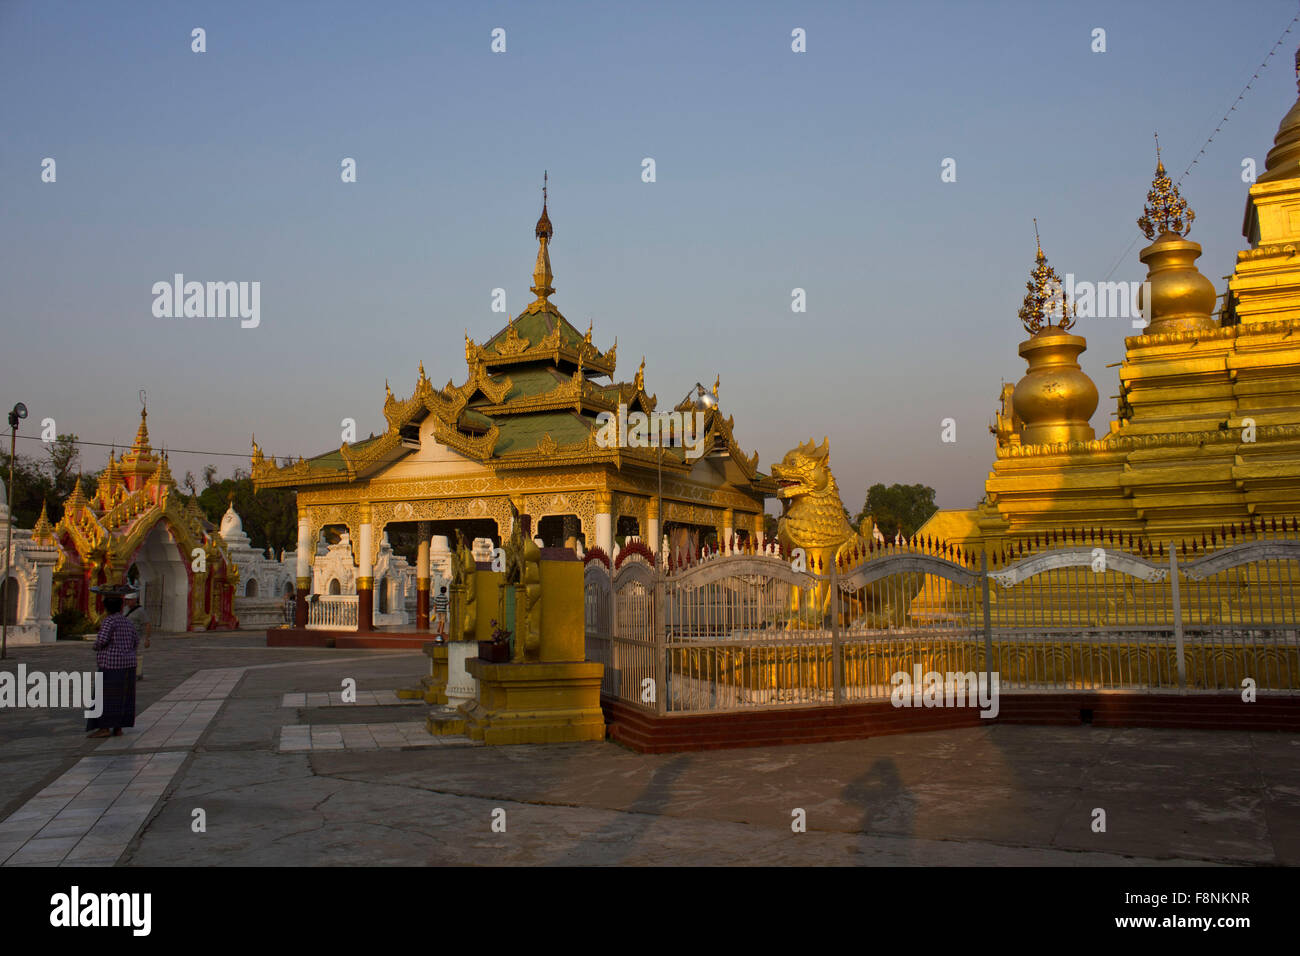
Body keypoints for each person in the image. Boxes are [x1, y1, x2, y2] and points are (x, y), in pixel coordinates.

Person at [86, 592, 140, 739]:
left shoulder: (109, 621)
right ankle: (118, 728)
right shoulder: (127, 621)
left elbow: (101, 640)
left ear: (106, 608)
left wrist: (95, 646)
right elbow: (136, 640)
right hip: (128, 664)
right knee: (123, 696)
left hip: (111, 664)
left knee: (106, 696)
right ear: (121, 607)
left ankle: (104, 727)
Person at [125, 593, 152, 682]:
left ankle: (137, 672)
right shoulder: (125, 609)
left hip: (135, 636)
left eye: (130, 600)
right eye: (127, 600)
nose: (128, 602)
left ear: (135, 600)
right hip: (125, 635)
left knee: (133, 654)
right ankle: (130, 672)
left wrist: (147, 639)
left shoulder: (140, 611)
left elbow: (147, 624)